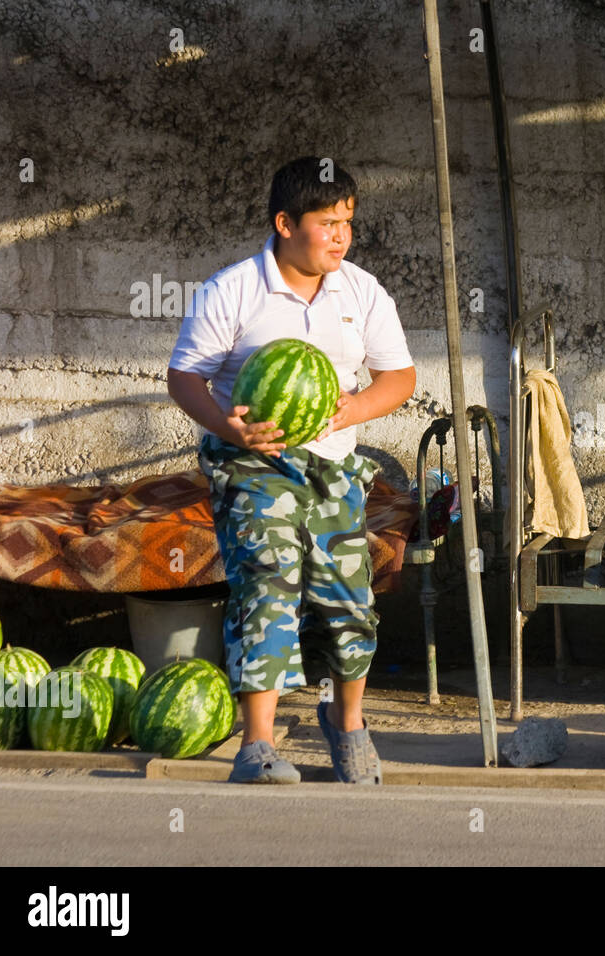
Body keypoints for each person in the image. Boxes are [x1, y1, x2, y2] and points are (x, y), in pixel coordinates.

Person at [167, 157, 417, 783]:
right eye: (327, 223)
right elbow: (184, 376)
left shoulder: (361, 290)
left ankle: (347, 724)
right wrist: (229, 427)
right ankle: (257, 745)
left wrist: (356, 407)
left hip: (333, 464)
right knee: (268, 582)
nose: (341, 236)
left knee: (349, 599)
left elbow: (400, 376)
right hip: (253, 463)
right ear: (285, 223)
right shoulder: (233, 289)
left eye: (347, 223)